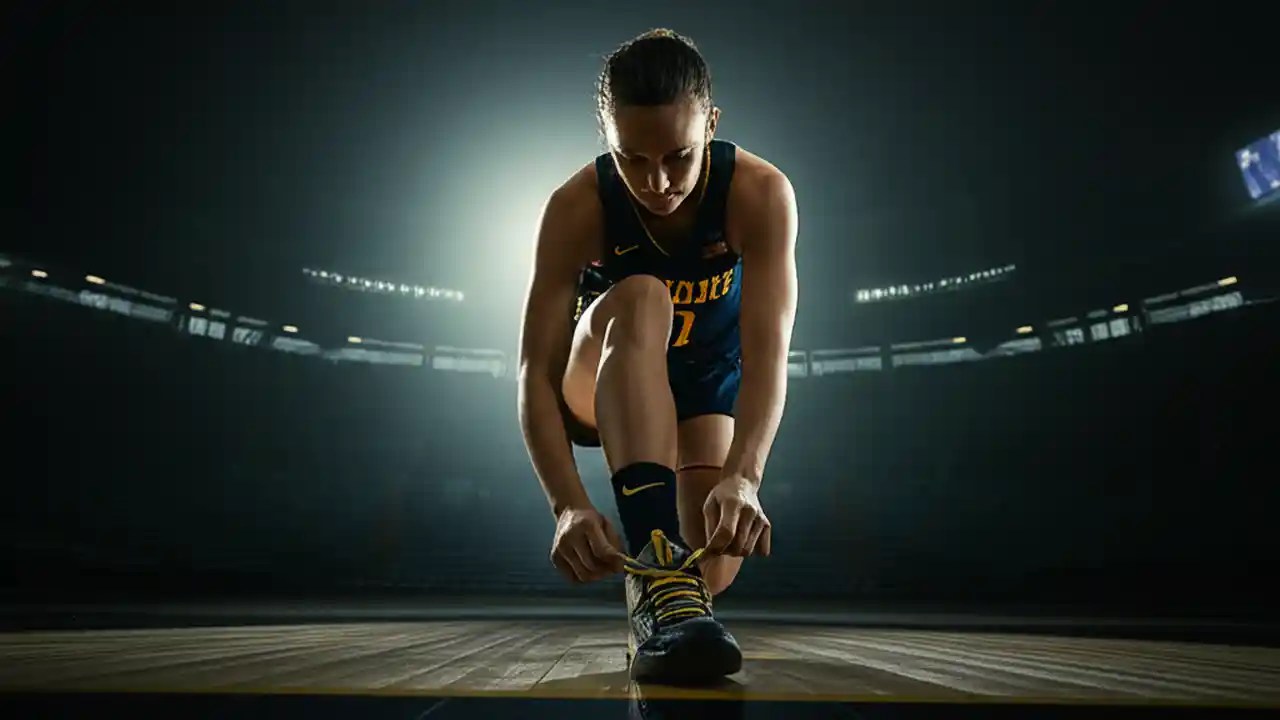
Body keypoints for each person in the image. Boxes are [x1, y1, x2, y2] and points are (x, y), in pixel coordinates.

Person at [517, 28, 798, 684]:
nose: (658, 182)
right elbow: (534, 372)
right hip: (602, 375)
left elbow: (768, 357)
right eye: (632, 160)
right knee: (643, 296)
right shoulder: (574, 206)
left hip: (702, 382)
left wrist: (745, 478)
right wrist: (566, 505)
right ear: (607, 138)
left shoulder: (759, 193)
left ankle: (663, 594)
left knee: (716, 569)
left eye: (678, 155)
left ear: (713, 124)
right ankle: (654, 549)